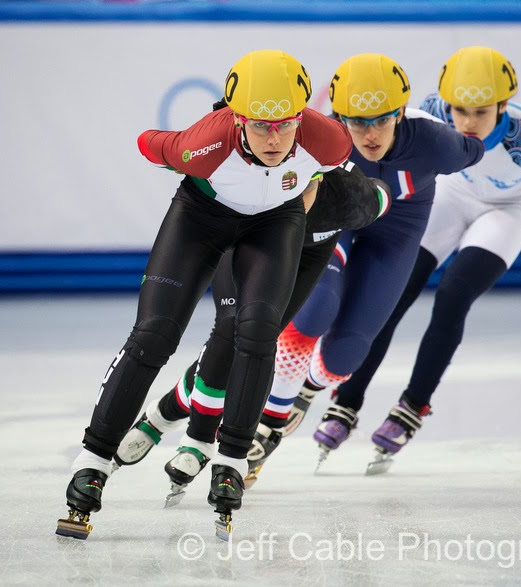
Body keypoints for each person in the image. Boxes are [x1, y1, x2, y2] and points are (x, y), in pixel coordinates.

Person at [56, 49, 353, 539]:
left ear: (302, 115)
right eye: (260, 126)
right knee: (154, 335)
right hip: (200, 219)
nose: (275, 138)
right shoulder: (203, 144)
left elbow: (328, 169)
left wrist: (314, 185)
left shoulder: (329, 139)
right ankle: (92, 462)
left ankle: (232, 459)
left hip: (275, 223)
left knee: (258, 333)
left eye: (285, 124)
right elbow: (148, 142)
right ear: (236, 119)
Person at [265, 46, 521, 473]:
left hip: (508, 209)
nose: (468, 121)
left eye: (481, 112)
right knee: (395, 291)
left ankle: (413, 405)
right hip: (455, 195)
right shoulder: (434, 114)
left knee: (454, 293)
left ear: (504, 106)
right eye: (460, 110)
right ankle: (347, 399)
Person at [242, 53, 485, 478]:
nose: (369, 134)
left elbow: (477, 144)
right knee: (316, 310)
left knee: (346, 356)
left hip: (397, 229)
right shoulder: (317, 135)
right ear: (339, 117)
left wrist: (508, 128)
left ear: (400, 114)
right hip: (339, 217)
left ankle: (308, 391)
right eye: (356, 122)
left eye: (380, 121)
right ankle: (270, 419)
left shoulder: (438, 144)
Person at [111, 158, 391, 500]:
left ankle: (166, 411)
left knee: (256, 337)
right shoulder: (244, 176)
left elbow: (381, 195)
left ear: (316, 181)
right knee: (231, 327)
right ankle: (196, 438)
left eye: (298, 191)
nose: (287, 204)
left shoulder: (349, 196)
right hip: (245, 235)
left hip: (309, 252)